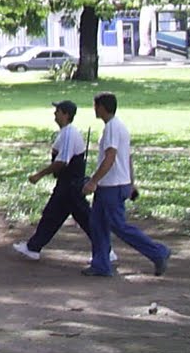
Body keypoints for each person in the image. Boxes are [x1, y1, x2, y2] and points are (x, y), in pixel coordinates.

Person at [81, 91, 171, 277]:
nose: (94, 109)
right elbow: (127, 158)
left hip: (111, 187)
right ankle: (101, 264)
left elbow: (111, 157)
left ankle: (158, 252)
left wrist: (93, 181)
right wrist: (131, 182)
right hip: (115, 184)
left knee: (118, 225)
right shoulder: (118, 127)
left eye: (96, 106)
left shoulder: (112, 128)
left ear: (102, 108)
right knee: (97, 224)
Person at [13, 99, 113, 264]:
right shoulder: (67, 132)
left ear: (66, 115)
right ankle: (33, 247)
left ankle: (106, 250)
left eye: (58, 111)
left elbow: (62, 161)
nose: (55, 114)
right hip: (69, 184)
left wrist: (39, 175)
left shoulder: (68, 134)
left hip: (70, 185)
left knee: (76, 218)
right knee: (59, 217)